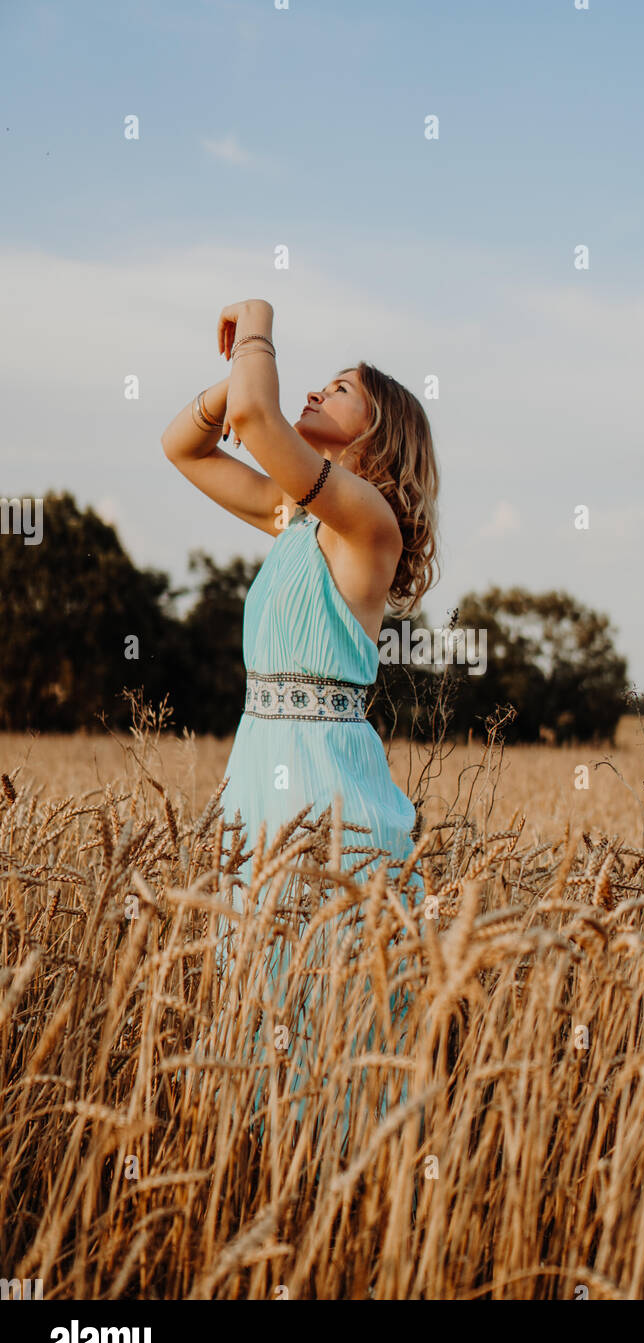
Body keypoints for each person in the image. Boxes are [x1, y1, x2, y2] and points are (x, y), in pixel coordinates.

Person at [161, 298, 439, 1135]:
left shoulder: (368, 524)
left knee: (325, 1001)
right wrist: (235, 377)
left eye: (341, 389)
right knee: (257, 996)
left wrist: (258, 321)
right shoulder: (294, 517)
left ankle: (343, 1190)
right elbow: (186, 443)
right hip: (259, 782)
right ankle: (257, 1171)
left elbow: (256, 413)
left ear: (379, 434)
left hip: (328, 796)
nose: (317, 391)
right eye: (317, 383)